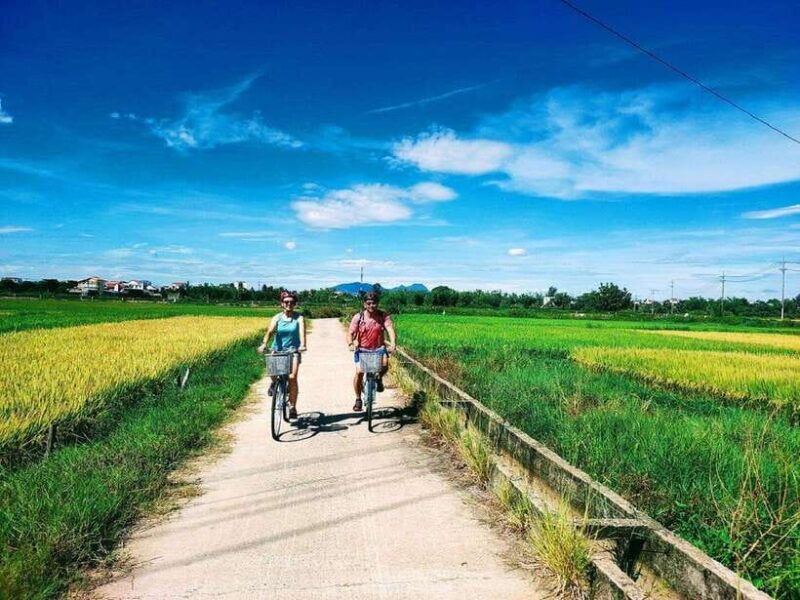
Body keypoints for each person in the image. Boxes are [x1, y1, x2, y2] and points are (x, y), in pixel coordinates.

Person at [258, 290, 306, 419]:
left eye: (291, 302)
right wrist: (264, 344)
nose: (289, 304)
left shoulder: (299, 318)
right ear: (282, 304)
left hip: (293, 350)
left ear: (295, 304)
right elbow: (270, 332)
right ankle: (275, 383)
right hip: (277, 349)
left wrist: (302, 345)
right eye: (286, 302)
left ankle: (292, 407)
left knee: (292, 377)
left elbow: (302, 332)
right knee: (272, 372)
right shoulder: (277, 318)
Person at [346, 291, 396, 412]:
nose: (371, 306)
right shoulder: (359, 317)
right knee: (359, 373)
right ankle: (358, 399)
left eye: (374, 303)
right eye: (369, 303)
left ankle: (378, 378)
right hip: (362, 349)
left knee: (384, 365)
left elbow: (390, 329)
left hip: (378, 348)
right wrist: (351, 343)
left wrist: (393, 343)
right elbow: (350, 333)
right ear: (364, 304)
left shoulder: (383, 316)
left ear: (377, 304)